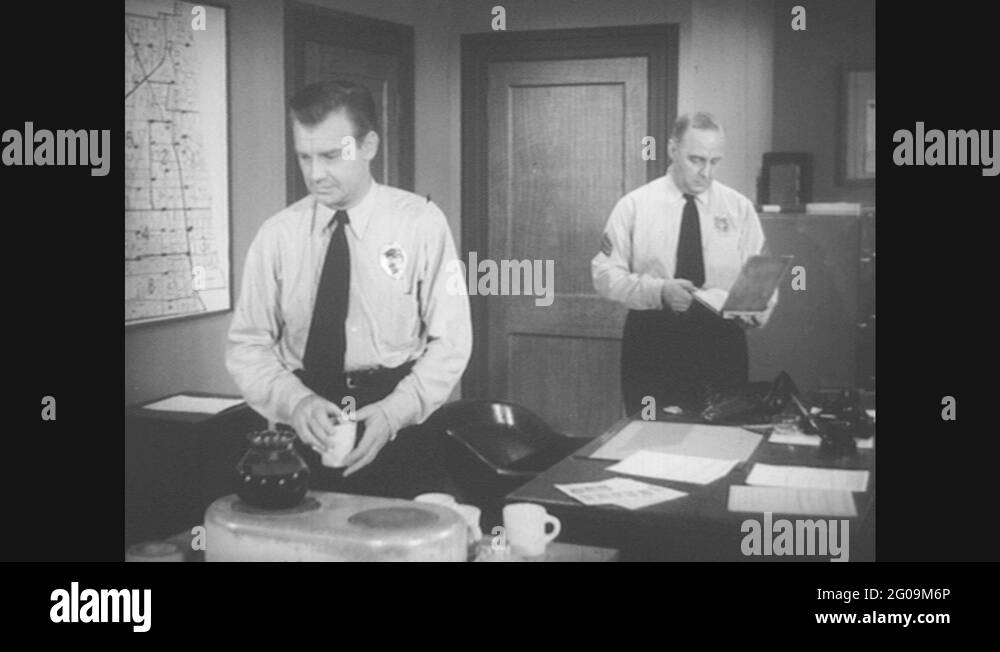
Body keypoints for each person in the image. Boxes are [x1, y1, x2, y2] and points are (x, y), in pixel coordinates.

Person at [226, 81, 472, 498]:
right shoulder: (277, 235)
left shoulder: (421, 223)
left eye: (330, 155)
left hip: (398, 419)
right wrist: (295, 402)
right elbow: (248, 345)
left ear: (369, 145)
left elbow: (451, 341)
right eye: (304, 157)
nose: (316, 174)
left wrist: (394, 413)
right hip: (307, 420)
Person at [591, 112, 776, 415]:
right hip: (654, 339)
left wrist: (757, 312)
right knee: (649, 441)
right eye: (696, 159)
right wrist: (658, 291)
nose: (706, 172)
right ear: (672, 149)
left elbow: (763, 275)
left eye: (714, 162)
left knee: (721, 439)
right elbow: (604, 274)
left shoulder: (738, 208)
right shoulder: (635, 206)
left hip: (723, 342)